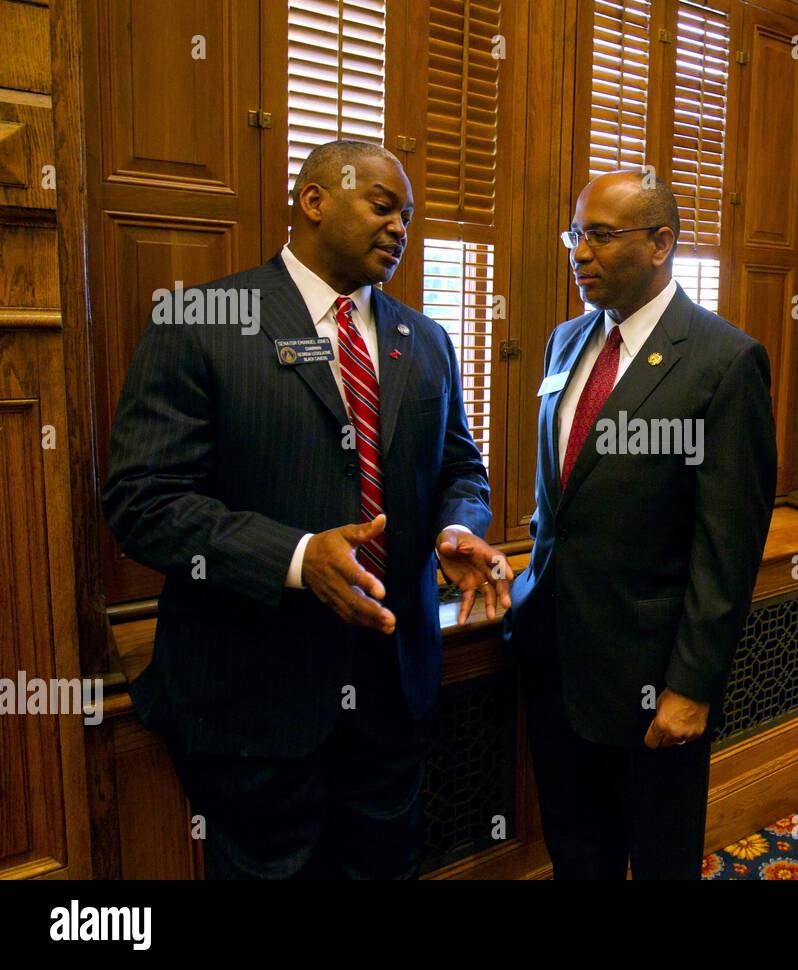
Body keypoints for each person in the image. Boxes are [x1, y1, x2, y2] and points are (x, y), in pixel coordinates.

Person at [102, 139, 513, 879]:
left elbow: (461, 468)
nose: (400, 229)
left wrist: (456, 526)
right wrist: (295, 559)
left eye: (409, 218)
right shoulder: (201, 320)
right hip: (252, 701)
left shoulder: (427, 341)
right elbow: (142, 503)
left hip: (393, 688)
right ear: (314, 200)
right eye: (383, 206)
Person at [505, 171, 777, 879]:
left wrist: (692, 686)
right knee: (576, 849)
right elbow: (564, 489)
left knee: (659, 857)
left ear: (661, 244)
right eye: (575, 234)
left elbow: (729, 545)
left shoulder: (724, 361)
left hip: (653, 676)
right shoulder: (566, 343)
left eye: (599, 235)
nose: (578, 252)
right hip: (557, 653)